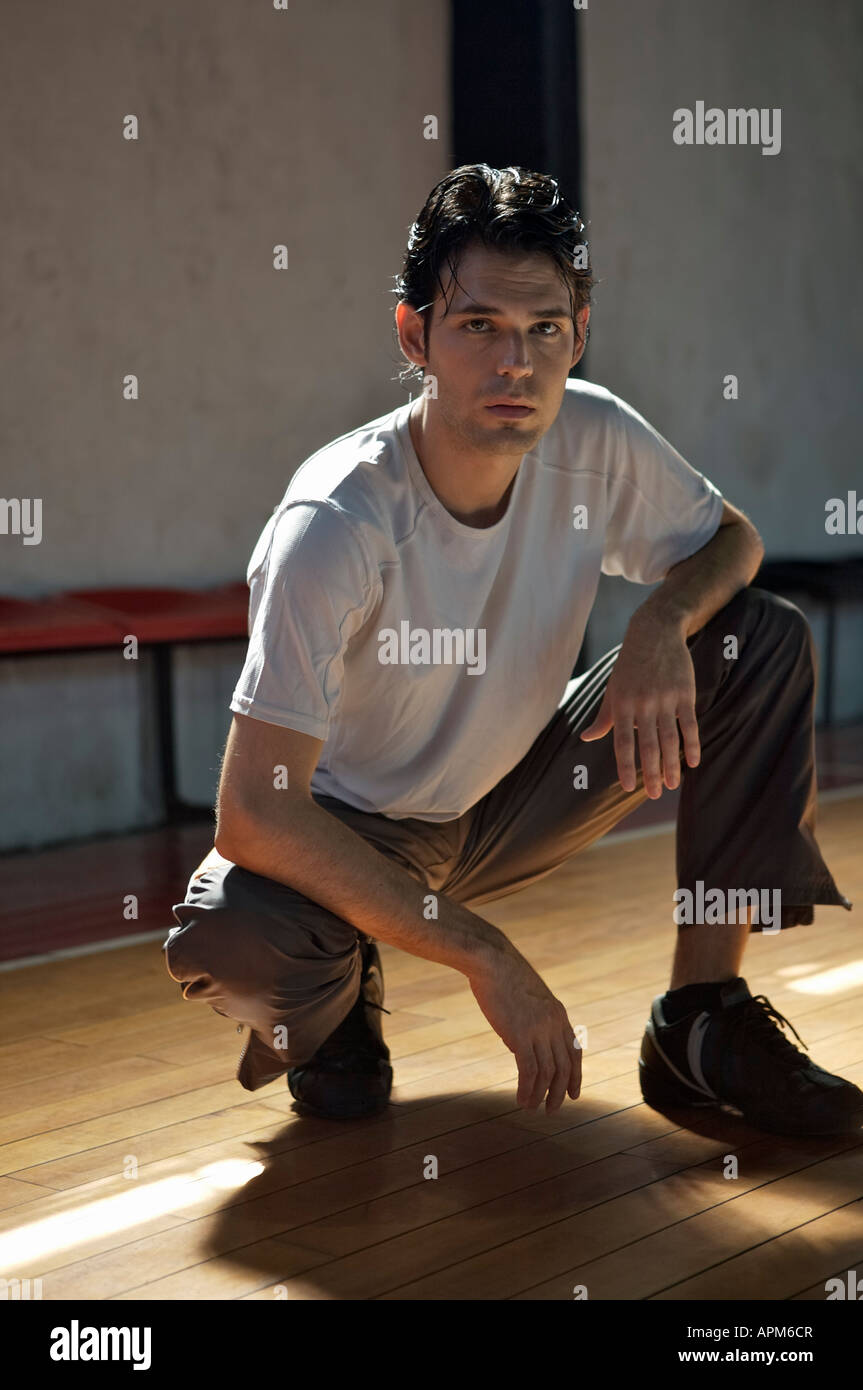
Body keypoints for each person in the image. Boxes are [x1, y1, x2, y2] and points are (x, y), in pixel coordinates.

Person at [163, 163, 858, 1136]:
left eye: (543, 332)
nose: (514, 366)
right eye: (478, 326)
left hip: (516, 793)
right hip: (350, 827)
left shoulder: (594, 434)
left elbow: (729, 541)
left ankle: (701, 1023)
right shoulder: (337, 519)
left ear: (576, 337)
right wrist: (484, 952)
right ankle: (333, 1006)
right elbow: (253, 810)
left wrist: (661, 620)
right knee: (232, 935)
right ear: (415, 336)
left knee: (756, 638)